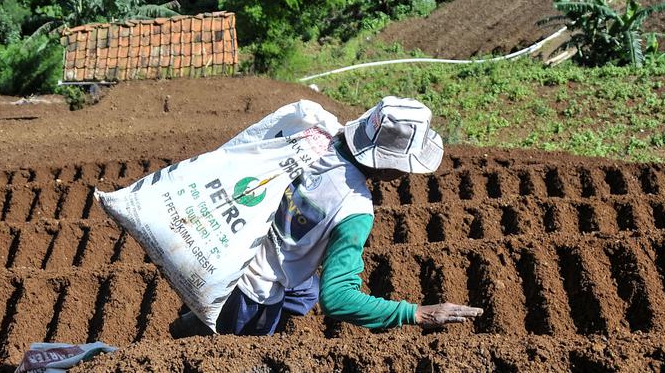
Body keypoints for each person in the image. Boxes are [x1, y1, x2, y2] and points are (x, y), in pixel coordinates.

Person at [175, 96, 484, 336]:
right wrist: (417, 313)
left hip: (227, 252)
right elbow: (336, 298)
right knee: (222, 347)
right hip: (252, 291)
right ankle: (183, 332)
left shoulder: (314, 131)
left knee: (304, 290)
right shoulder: (354, 209)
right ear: (391, 165)